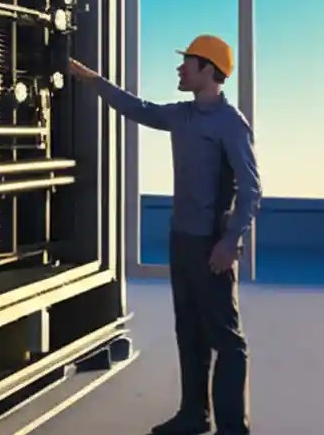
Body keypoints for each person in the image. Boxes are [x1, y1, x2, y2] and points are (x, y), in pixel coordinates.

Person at [67, 34, 262, 435]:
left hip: (212, 246)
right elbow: (136, 108)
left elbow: (251, 188)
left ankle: (232, 428)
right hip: (183, 241)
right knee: (188, 331)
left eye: (187, 62)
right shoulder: (181, 115)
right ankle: (194, 415)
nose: (180, 68)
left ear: (208, 69)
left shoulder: (230, 124)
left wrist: (230, 242)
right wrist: (92, 80)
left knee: (226, 339)